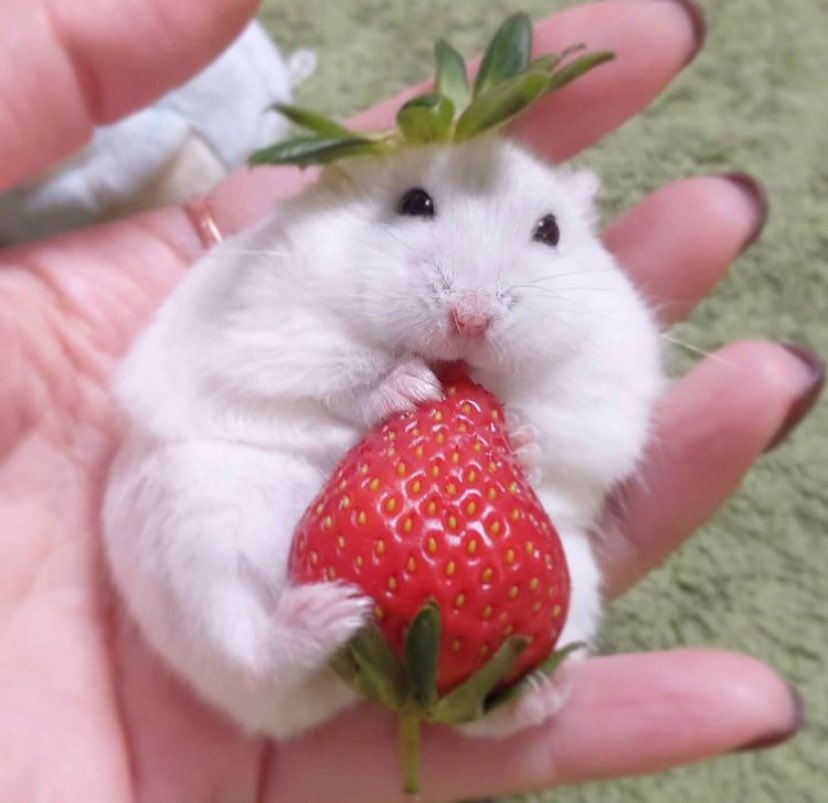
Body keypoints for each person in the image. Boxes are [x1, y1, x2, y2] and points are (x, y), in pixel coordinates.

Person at [0, 0, 820, 800]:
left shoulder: (605, 334)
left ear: (578, 221)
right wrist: (356, 385)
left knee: (565, 565)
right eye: (418, 207)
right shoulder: (275, 260)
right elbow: (199, 382)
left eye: (542, 233)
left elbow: (596, 458)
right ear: (353, 192)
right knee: (190, 495)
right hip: (255, 477)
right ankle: (256, 651)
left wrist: (533, 447)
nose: (471, 309)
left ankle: (496, 694)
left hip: (428, 599)